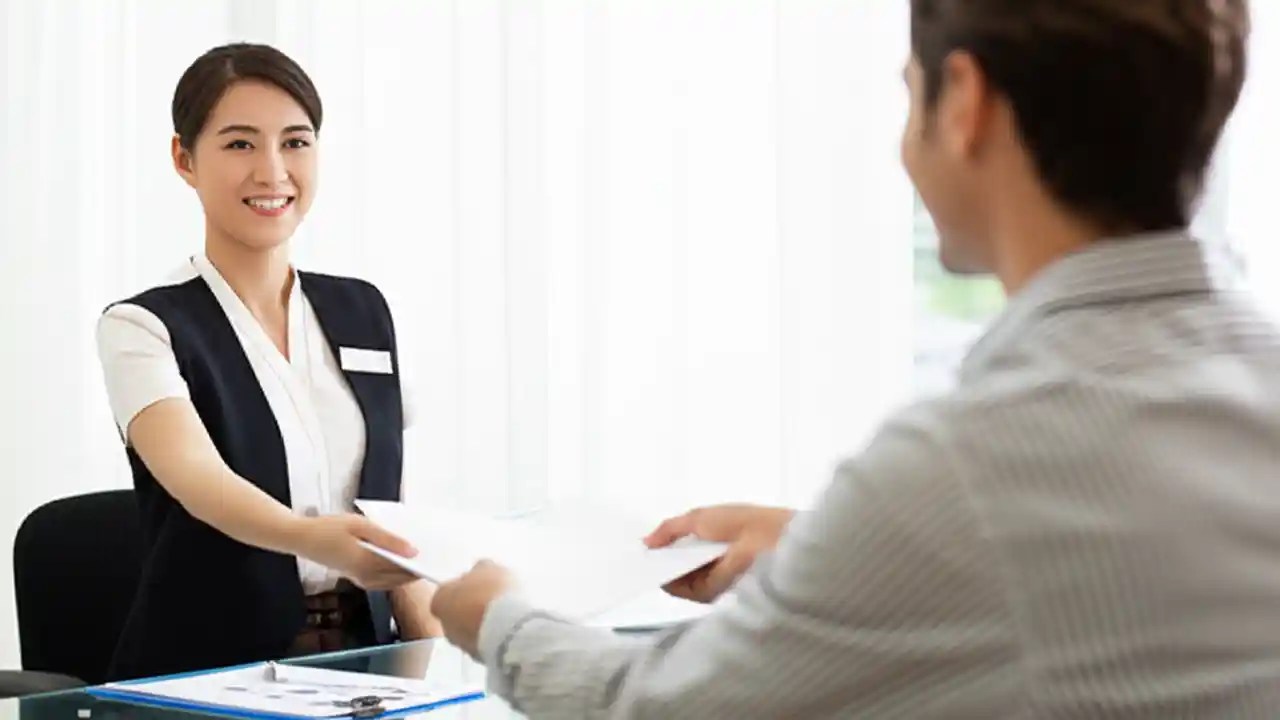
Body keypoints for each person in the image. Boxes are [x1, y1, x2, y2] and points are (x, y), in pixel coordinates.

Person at [430, 1, 1280, 717]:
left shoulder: (966, 464)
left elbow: (660, 708)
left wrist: (500, 621)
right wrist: (825, 546)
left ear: (965, 104)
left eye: (910, 96)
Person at [96, 43, 440, 681]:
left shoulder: (364, 311)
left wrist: (443, 666)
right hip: (208, 676)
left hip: (360, 671)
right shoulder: (142, 327)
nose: (273, 171)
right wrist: (313, 538)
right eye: (239, 144)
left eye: (296, 141)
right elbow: (198, 478)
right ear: (184, 159)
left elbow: (390, 506)